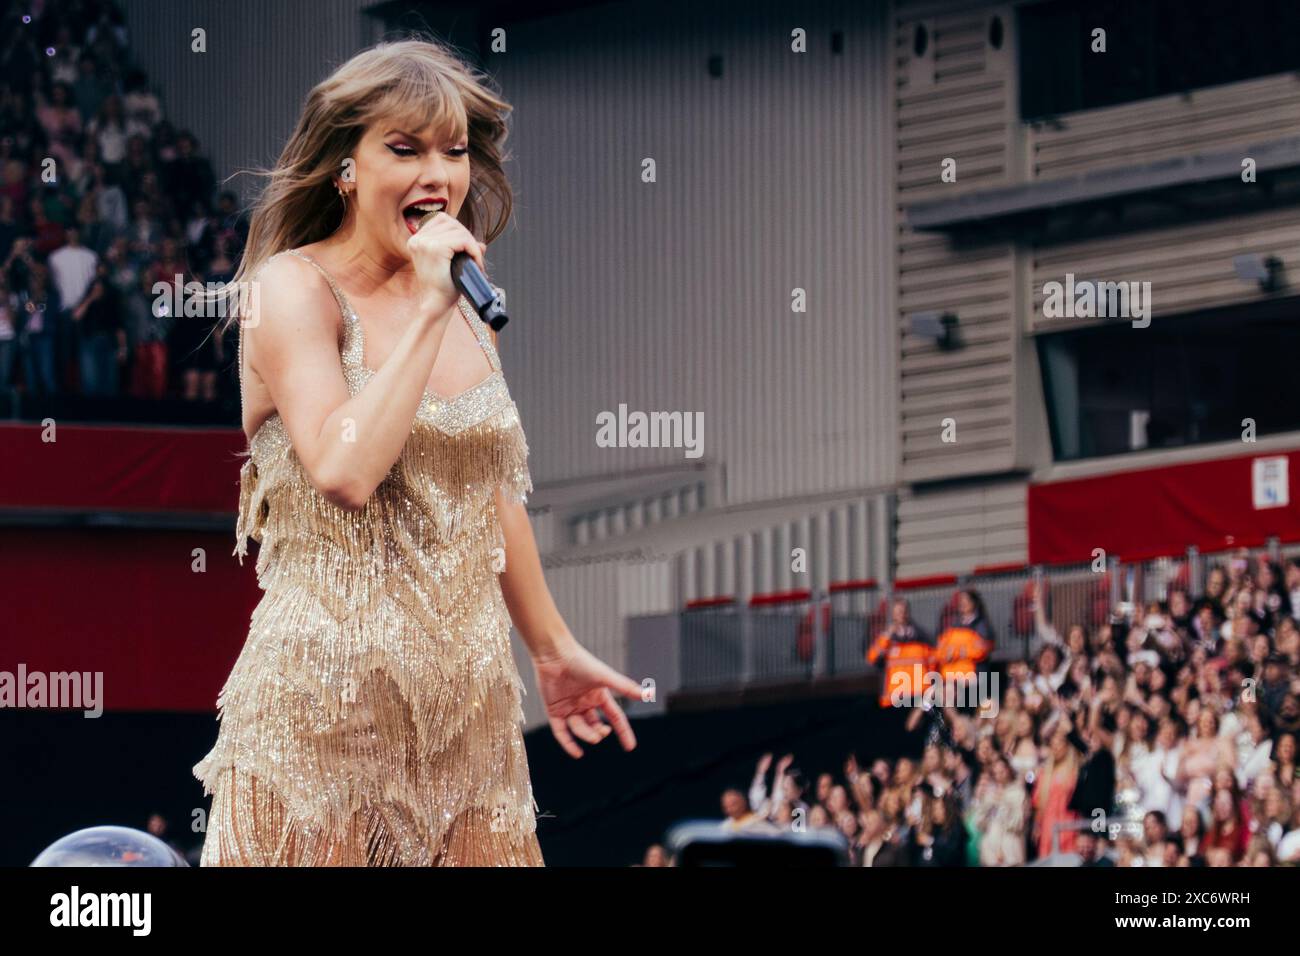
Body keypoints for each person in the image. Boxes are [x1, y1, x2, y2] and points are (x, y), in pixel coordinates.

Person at [192, 38, 641, 866]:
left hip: (467, 716)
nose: (437, 175)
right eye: (403, 149)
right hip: (321, 710)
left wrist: (550, 647)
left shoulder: (467, 311)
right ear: (346, 167)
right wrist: (431, 310)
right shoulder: (290, 288)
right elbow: (343, 468)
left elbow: (493, 493)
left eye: (455, 150)